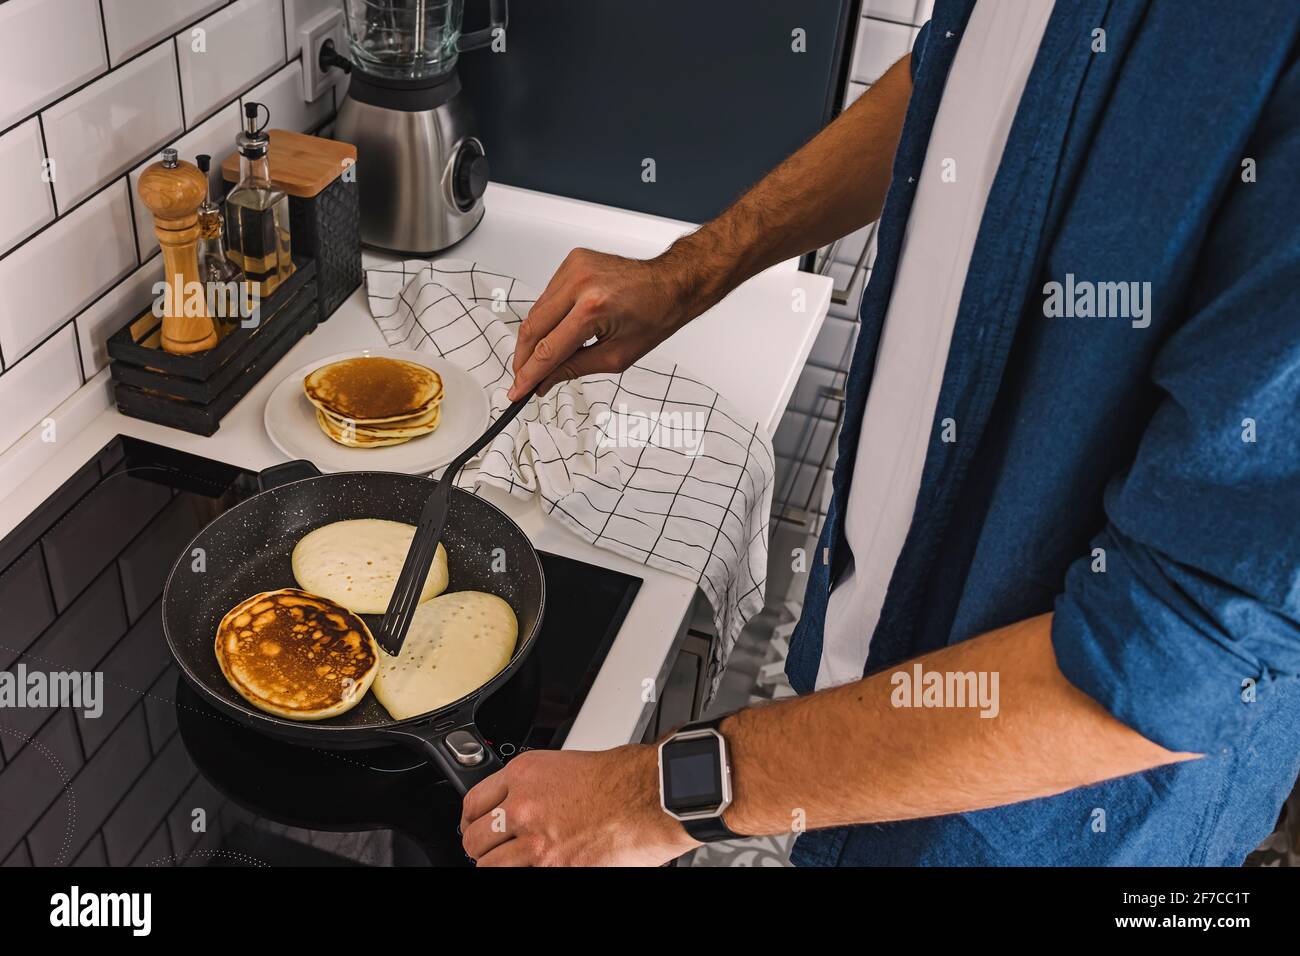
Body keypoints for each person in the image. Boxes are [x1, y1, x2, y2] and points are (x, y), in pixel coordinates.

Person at [458, 0, 1300, 866]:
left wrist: (656, 796)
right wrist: (690, 273)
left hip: (1047, 831)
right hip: (859, 706)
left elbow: (1176, 657)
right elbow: (949, 77)